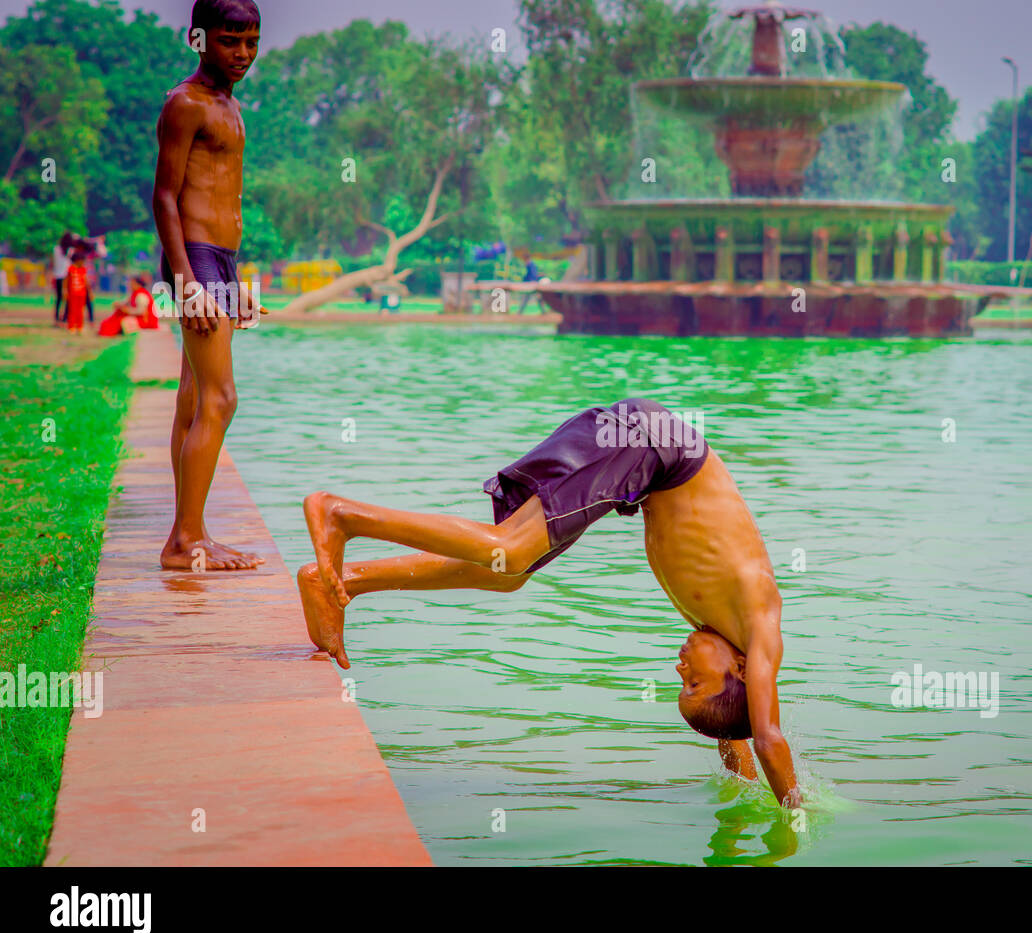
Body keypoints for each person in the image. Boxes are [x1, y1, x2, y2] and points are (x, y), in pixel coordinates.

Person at [296, 397, 802, 807]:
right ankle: (342, 515)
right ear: (740, 667)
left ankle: (345, 580)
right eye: (693, 680)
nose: (677, 669)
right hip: (649, 445)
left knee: (506, 573)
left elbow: (735, 729)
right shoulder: (761, 626)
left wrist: (743, 797)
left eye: (682, 683)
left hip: (643, 455)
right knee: (508, 548)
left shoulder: (724, 635)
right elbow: (766, 735)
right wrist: (796, 813)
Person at [153, 0, 266, 572]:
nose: (242, 53)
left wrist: (233, 281)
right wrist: (188, 282)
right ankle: (187, 541)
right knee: (221, 399)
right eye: (229, 40)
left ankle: (186, 533)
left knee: (195, 399)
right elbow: (167, 197)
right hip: (195, 262)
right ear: (198, 38)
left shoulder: (230, 105)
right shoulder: (186, 103)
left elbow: (218, 199)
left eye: (251, 41)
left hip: (218, 262)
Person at [64, 250, 90, 335]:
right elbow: (66, 281)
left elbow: (86, 281)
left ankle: (80, 327)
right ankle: (71, 326)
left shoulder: (83, 269)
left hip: (82, 293)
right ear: (77, 260)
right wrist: (65, 291)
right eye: (82, 261)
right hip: (73, 293)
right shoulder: (70, 269)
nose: (83, 263)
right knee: (72, 310)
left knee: (80, 311)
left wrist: (89, 292)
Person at [51, 232, 74, 326]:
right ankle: (65, 318)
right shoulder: (71, 250)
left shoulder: (56, 249)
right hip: (67, 276)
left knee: (59, 298)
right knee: (68, 298)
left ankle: (57, 319)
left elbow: (53, 262)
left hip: (58, 276)